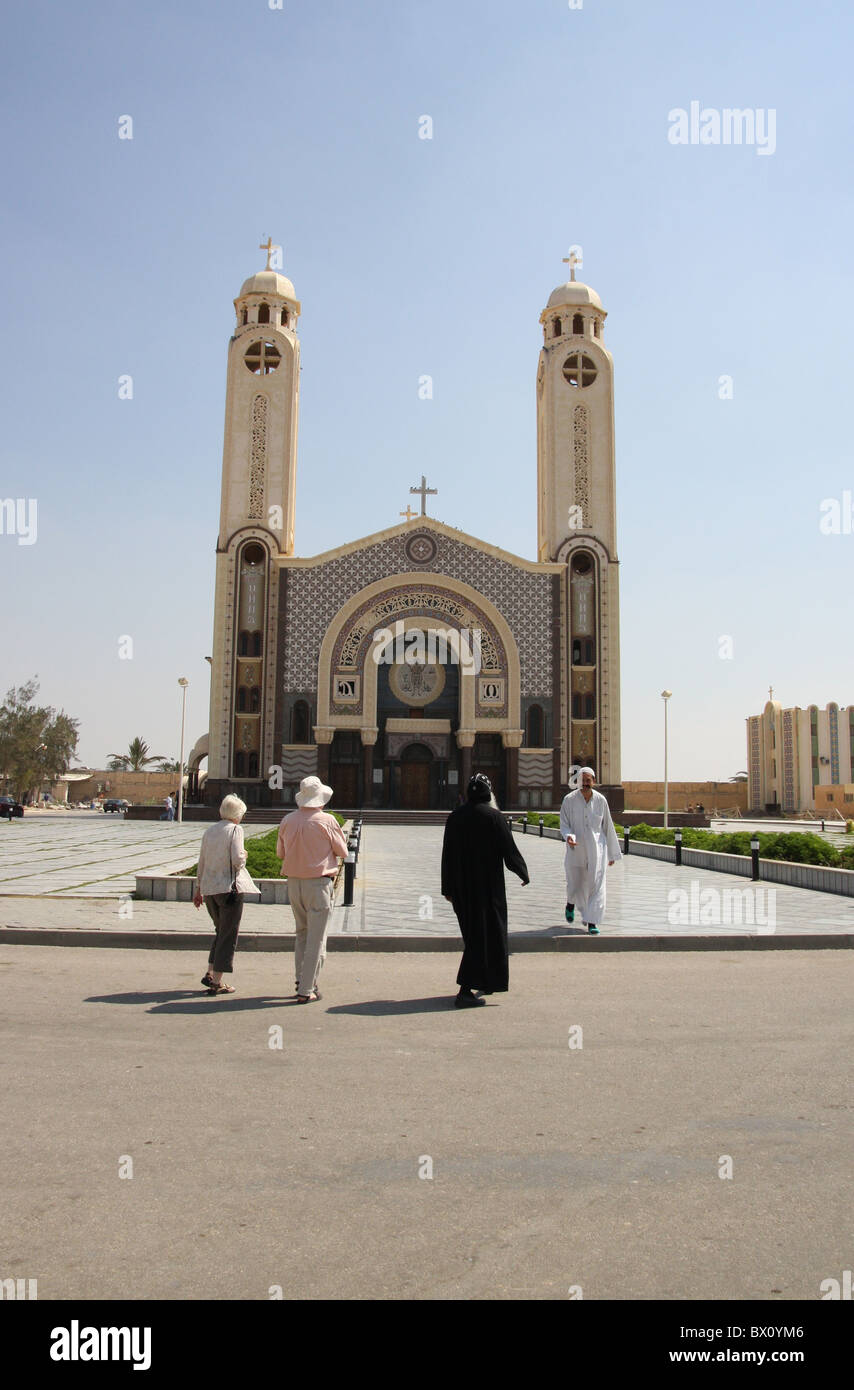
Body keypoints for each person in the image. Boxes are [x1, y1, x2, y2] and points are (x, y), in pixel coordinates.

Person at [441, 773, 529, 1008]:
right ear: (488, 793)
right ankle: (465, 990)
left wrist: (447, 888)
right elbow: (508, 849)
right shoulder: (494, 817)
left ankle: (490, 980)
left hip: (461, 890)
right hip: (488, 891)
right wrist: (522, 872)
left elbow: (446, 855)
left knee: (474, 935)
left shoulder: (455, 817)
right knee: (488, 935)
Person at [276, 776, 349, 1003]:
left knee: (302, 933)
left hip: (294, 883)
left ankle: (301, 979)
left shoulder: (287, 820)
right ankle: (307, 988)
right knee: (317, 938)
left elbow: (280, 853)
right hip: (318, 884)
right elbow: (343, 852)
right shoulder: (327, 821)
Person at [193, 794, 254, 995]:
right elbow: (237, 859)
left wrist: (199, 889)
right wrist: (244, 856)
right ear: (238, 814)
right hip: (229, 889)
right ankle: (217, 982)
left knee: (220, 932)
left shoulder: (210, 831)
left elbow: (201, 861)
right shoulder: (236, 829)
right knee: (228, 935)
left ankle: (210, 972)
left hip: (210, 890)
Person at [559, 767, 621, 935]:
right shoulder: (569, 800)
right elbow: (564, 823)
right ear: (578, 781)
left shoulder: (600, 800)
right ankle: (570, 904)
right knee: (575, 883)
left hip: (597, 850)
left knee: (597, 884)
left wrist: (612, 853)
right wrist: (568, 836)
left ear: (593, 781)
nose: (585, 783)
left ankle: (592, 921)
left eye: (588, 780)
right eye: (583, 780)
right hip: (576, 849)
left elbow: (607, 826)